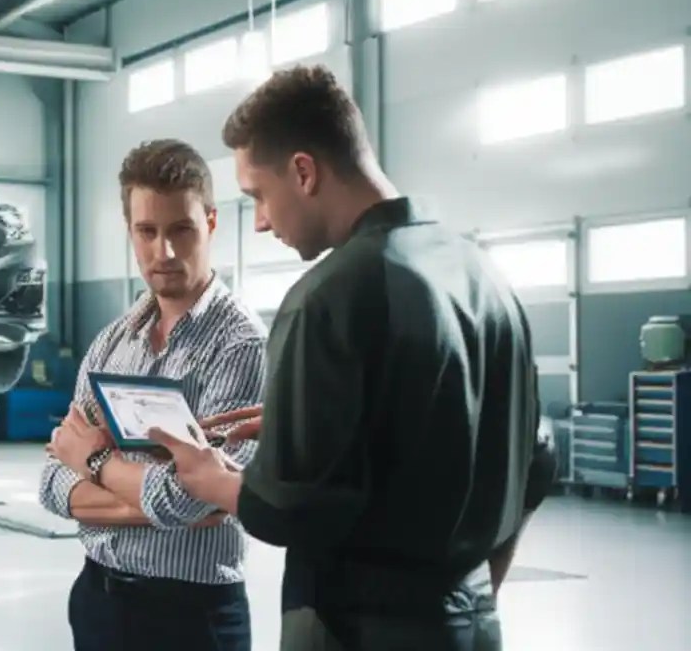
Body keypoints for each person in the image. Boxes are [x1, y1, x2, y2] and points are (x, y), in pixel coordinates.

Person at [146, 64, 556, 650]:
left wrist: (211, 479)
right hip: (473, 624)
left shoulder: (330, 296)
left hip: (356, 627)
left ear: (304, 171)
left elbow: (286, 507)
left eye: (259, 196)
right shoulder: (482, 272)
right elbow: (533, 463)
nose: (261, 222)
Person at [39, 139, 267, 651]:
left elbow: (198, 498)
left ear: (210, 223)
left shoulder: (239, 344)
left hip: (190, 614)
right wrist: (160, 497)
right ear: (130, 232)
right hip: (98, 599)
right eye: (147, 232)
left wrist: (94, 462)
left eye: (180, 230)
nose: (163, 252)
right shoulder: (112, 342)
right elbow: (52, 482)